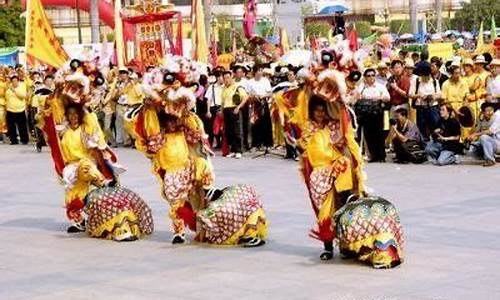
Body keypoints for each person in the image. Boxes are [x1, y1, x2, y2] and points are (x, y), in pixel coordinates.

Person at [355, 68, 391, 162]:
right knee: (368, 135)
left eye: (372, 75)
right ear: (365, 78)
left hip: (377, 113)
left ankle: (381, 156)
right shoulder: (362, 87)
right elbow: (356, 98)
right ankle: (373, 156)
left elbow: (387, 97)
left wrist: (379, 98)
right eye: (368, 76)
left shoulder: (380, 86)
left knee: (379, 135)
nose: (371, 77)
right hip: (366, 114)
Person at [409, 64, 442, 140]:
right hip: (421, 108)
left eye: (427, 76)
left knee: (435, 128)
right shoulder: (416, 81)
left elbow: (440, 94)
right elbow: (410, 94)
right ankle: (424, 145)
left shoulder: (434, 81)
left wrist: (433, 96)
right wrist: (419, 95)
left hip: (433, 108)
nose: (425, 78)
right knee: (422, 128)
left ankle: (436, 143)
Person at [221, 71, 248, 158]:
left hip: (234, 109)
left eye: (228, 78)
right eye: (224, 78)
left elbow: (245, 97)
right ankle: (232, 150)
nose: (226, 80)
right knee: (229, 131)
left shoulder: (237, 87)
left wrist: (238, 107)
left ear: (232, 77)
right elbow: (223, 101)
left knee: (237, 131)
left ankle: (239, 150)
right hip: (226, 109)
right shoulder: (224, 88)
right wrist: (222, 111)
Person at [247, 64, 273, 150]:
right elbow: (247, 93)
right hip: (254, 103)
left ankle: (267, 144)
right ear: (255, 72)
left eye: (261, 71)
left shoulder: (265, 80)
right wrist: (253, 96)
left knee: (266, 123)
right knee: (255, 124)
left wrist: (263, 96)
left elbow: (270, 93)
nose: (260, 72)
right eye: (259, 71)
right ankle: (256, 144)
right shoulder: (250, 82)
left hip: (263, 102)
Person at [466, 102, 499, 167]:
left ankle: (490, 160)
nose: (490, 113)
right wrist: (470, 138)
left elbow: (490, 132)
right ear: (483, 112)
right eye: (487, 111)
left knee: (483, 137)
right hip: (489, 143)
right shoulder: (481, 119)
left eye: (491, 110)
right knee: (471, 150)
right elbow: (475, 130)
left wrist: (475, 134)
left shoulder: (497, 118)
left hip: (497, 143)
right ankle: (493, 156)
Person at [5, 75, 29, 145]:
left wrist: (14, 90)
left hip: (20, 109)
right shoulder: (8, 87)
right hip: (10, 110)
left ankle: (24, 140)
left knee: (22, 126)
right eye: (12, 81)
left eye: (15, 81)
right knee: (11, 127)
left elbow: (23, 96)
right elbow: (6, 96)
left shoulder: (22, 86)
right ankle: (13, 140)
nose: (14, 83)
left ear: (18, 81)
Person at [204, 71, 224, 148]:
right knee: (212, 127)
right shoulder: (212, 87)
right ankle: (210, 144)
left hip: (222, 107)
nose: (223, 79)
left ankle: (222, 143)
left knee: (222, 127)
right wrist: (208, 111)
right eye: (222, 77)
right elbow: (208, 99)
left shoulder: (226, 86)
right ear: (218, 78)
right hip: (214, 108)